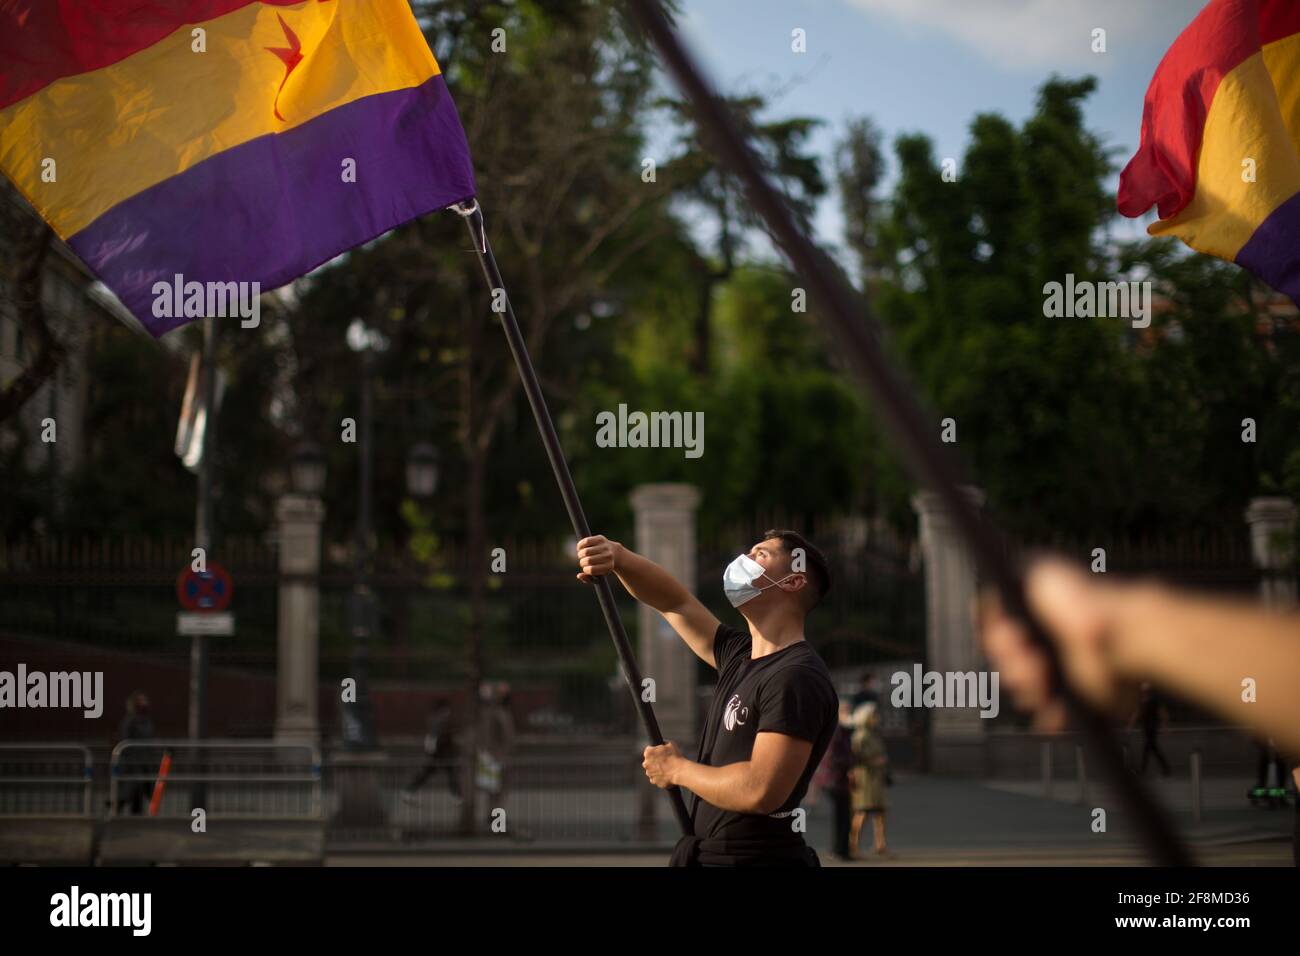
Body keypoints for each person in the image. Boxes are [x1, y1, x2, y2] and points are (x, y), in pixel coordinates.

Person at [577, 529, 839, 867]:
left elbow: (760, 790)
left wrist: (677, 769)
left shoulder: (796, 676)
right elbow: (674, 603)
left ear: (792, 582)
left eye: (761, 554)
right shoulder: (739, 656)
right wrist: (619, 558)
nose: (743, 561)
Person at [812, 699, 854, 861]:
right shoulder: (836, 731)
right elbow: (833, 756)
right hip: (834, 779)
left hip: (833, 779)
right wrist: (851, 760)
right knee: (842, 816)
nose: (850, 715)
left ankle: (841, 849)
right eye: (847, 711)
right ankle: (840, 850)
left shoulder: (840, 730)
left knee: (842, 816)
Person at [848, 702, 891, 859]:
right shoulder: (861, 736)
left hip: (877, 778)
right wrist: (874, 761)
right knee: (862, 812)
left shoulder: (874, 734)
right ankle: (853, 845)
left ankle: (880, 845)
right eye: (874, 715)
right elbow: (855, 757)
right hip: (865, 778)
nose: (876, 718)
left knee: (880, 812)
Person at [402, 700, 461, 803]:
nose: (448, 712)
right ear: (442, 710)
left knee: (444, 774)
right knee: (440, 774)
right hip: (440, 754)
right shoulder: (440, 722)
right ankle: (456, 796)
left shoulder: (439, 721)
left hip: (440, 754)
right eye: (446, 710)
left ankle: (409, 791)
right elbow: (438, 738)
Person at [114, 691, 155, 815]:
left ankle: (136, 815)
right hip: (132, 762)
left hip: (144, 762)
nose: (145, 703)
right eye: (141, 700)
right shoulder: (130, 721)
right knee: (130, 791)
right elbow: (125, 740)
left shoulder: (147, 720)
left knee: (141, 790)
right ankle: (116, 810)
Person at [1128, 682, 1170, 777]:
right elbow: (1137, 712)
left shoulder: (1154, 700)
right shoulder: (1142, 700)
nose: (1144, 692)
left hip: (1152, 726)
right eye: (1143, 691)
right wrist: (1130, 724)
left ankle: (1143, 770)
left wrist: (1165, 725)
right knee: (1153, 748)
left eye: (1146, 691)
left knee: (1147, 748)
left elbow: (1162, 712)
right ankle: (1166, 768)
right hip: (1146, 727)